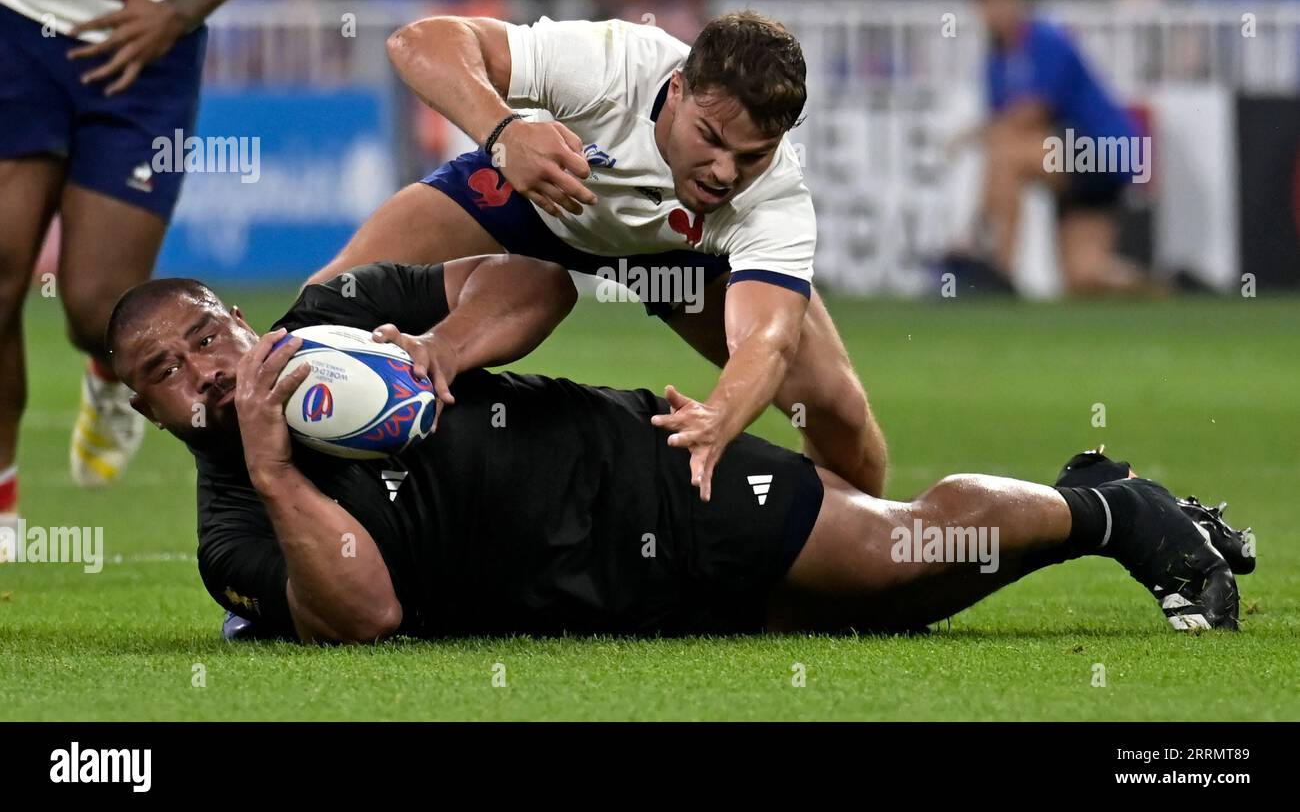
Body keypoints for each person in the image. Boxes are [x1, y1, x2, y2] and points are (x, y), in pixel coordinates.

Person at [101, 258, 1253, 643]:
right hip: (595, 599)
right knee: (864, 614)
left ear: (241, 320)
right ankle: (1086, 498)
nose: (203, 369)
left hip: (643, 470)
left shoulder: (341, 309)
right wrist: (270, 464)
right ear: (148, 413)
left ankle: (1117, 511)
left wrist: (445, 349)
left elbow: (536, 276)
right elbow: (362, 616)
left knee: (904, 561)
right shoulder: (235, 530)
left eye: (208, 336)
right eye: (167, 373)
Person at [314, 10, 888, 507]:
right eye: (710, 138)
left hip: (673, 262)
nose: (723, 173)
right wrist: (504, 134)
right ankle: (271, 523)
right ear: (679, 86)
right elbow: (417, 41)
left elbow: (767, 339)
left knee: (837, 413)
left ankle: (852, 569)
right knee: (322, 311)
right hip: (536, 192)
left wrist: (720, 417)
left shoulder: (774, 197)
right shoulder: (614, 67)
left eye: (752, 155)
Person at [0, 0, 302, 555]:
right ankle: (5, 503)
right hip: (14, 36)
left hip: (144, 52)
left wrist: (177, 14)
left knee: (94, 304)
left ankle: (109, 373)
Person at [955, 0, 1156, 294]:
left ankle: (1000, 272)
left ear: (1016, 0)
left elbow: (1033, 112)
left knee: (1007, 154)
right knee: (1083, 279)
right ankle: (1167, 288)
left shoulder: (1047, 40)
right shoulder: (993, 62)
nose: (990, 11)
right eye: (983, 3)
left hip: (1103, 153)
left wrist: (970, 137)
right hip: (1075, 171)